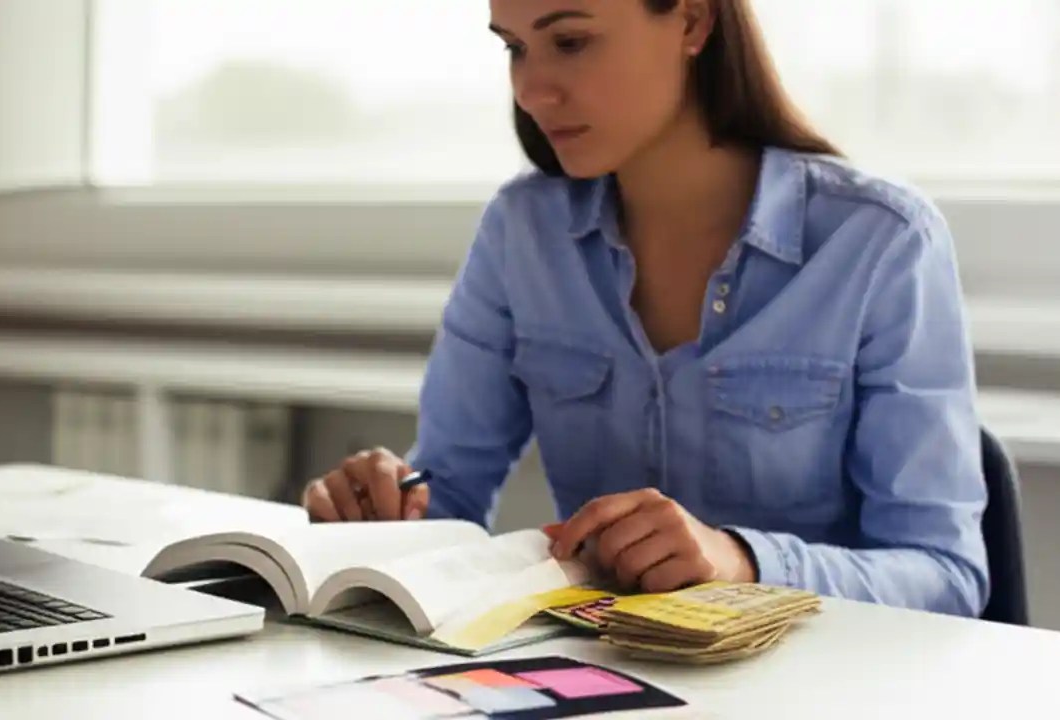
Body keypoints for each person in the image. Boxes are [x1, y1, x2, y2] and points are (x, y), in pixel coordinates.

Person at [302, 0, 989, 618]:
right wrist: (386, 510)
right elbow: (448, 490)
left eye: (570, 41)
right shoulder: (523, 231)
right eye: (514, 47)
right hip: (600, 679)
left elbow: (946, 575)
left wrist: (739, 561)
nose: (532, 89)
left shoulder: (881, 241)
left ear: (692, 21)